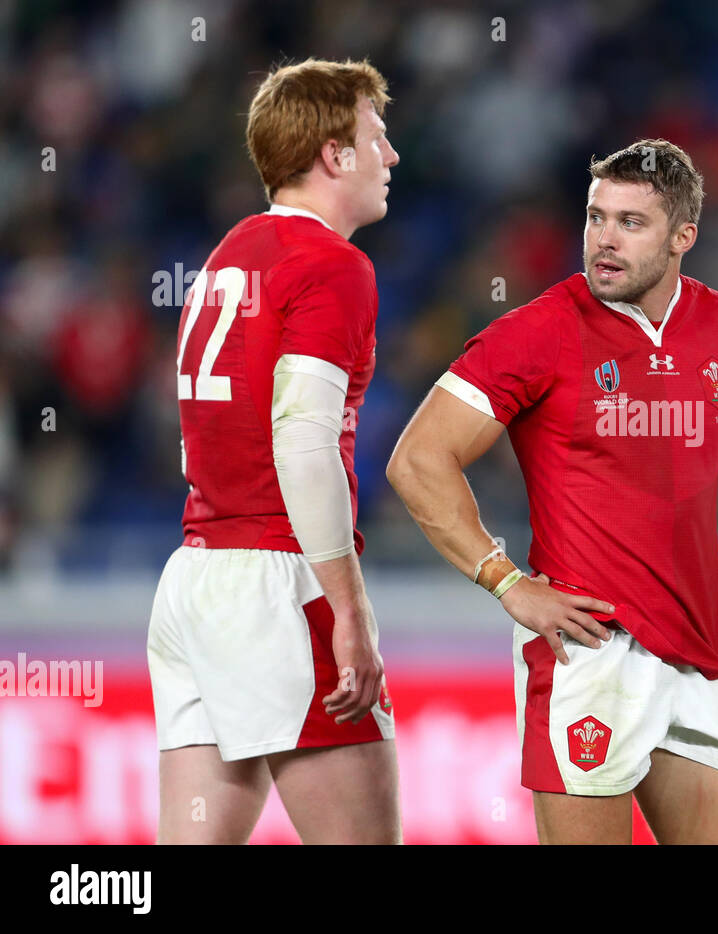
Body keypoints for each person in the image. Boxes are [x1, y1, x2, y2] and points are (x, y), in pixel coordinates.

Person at [387, 139, 718, 844]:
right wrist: (506, 581)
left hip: (706, 654)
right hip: (590, 654)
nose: (604, 239)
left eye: (630, 223)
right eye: (595, 217)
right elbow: (418, 459)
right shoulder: (538, 331)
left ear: (683, 237)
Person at [147, 58, 402, 844]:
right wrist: (350, 608)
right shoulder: (331, 266)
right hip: (278, 581)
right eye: (376, 135)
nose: (391, 155)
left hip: (194, 577)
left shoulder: (228, 255)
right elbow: (302, 444)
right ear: (335, 154)